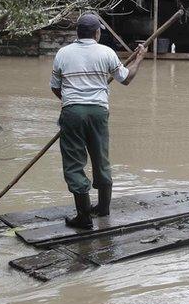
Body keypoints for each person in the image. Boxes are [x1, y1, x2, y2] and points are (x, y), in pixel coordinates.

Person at [49, 14, 146, 229]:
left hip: (72, 112)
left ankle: (84, 217)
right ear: (97, 33)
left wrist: (71, 103)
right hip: (98, 112)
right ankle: (103, 209)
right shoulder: (107, 53)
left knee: (74, 164)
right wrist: (139, 58)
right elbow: (126, 78)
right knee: (101, 158)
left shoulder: (62, 54)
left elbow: (55, 87)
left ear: (77, 33)